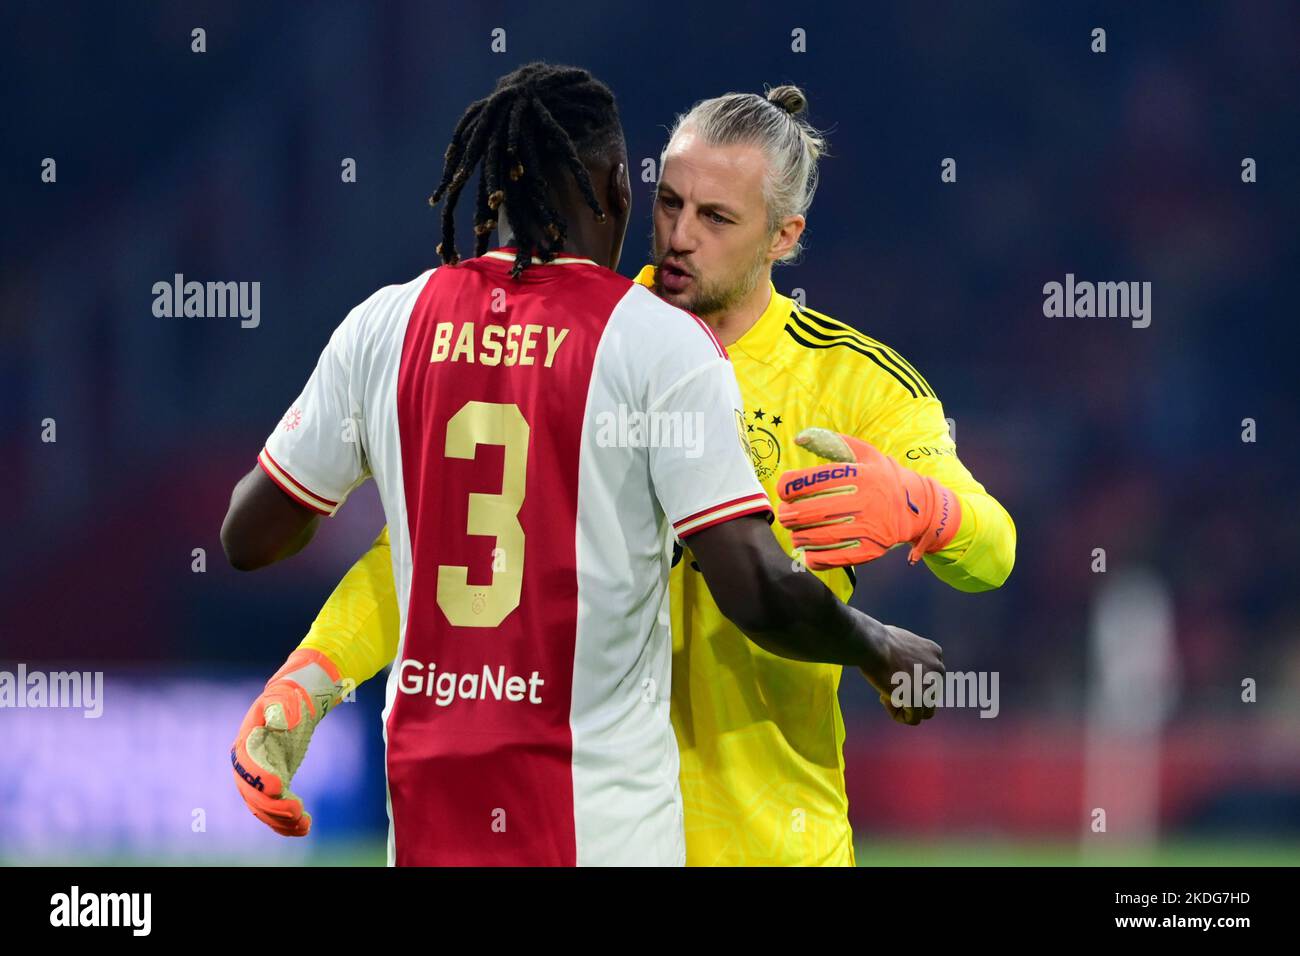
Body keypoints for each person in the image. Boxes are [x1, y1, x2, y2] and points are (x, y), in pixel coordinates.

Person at [221, 63, 943, 866]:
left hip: (431, 814)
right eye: (669, 204)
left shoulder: (387, 323)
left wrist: (308, 675)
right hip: (594, 823)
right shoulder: (653, 342)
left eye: (711, 214)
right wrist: (879, 646)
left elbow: (251, 537)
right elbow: (757, 590)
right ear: (620, 189)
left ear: (491, 189)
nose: (679, 233)